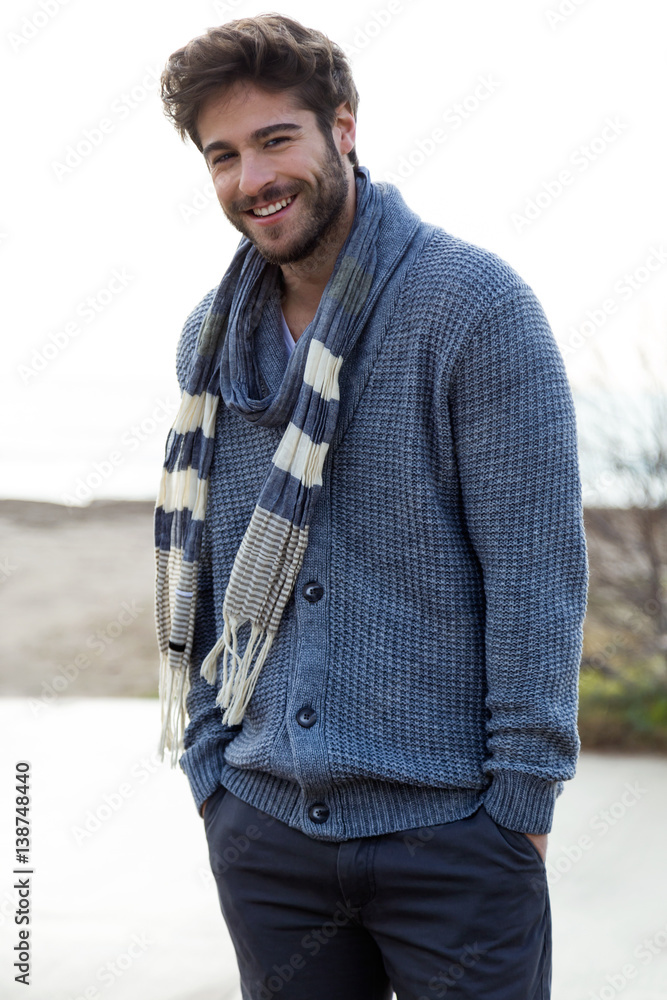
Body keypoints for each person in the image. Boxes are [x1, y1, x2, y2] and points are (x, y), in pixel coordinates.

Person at [154, 14, 589, 1000]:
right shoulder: (211, 342)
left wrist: (518, 808)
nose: (251, 178)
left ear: (341, 128)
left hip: (456, 842)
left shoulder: (473, 309)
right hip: (264, 834)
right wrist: (213, 778)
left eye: (275, 140)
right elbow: (209, 580)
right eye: (222, 155)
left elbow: (538, 578)